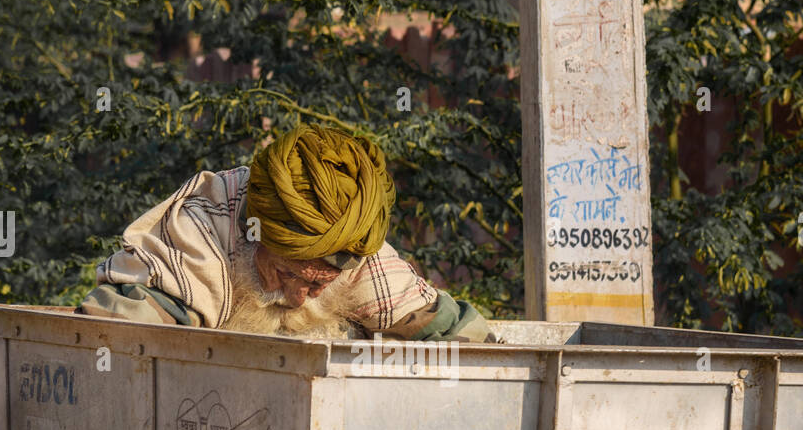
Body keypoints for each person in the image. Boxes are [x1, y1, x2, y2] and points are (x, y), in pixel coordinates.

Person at [75, 124, 495, 342]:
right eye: (287, 273)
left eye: (317, 285)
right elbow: (105, 336)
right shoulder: (202, 234)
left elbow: (464, 339)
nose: (297, 298)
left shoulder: (356, 249)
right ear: (252, 234)